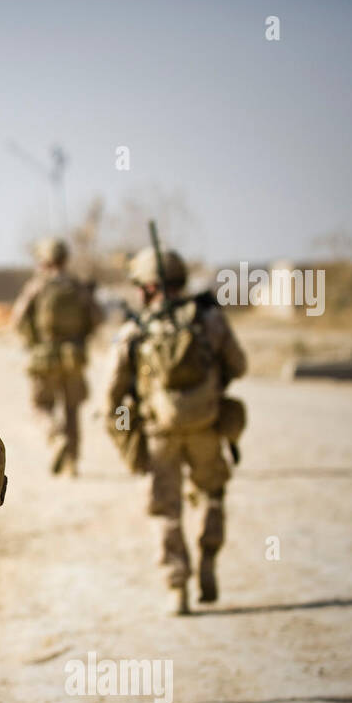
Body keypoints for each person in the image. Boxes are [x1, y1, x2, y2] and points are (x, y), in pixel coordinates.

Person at [106, 245, 247, 615]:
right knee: (212, 493)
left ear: (148, 288)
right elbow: (240, 365)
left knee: (166, 511)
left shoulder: (134, 330)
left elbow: (112, 393)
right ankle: (209, 555)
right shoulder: (210, 319)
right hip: (206, 428)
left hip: (159, 434)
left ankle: (177, 587)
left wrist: (123, 432)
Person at [10, 237, 101, 475]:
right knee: (72, 410)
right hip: (73, 356)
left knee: (40, 406)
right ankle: (72, 463)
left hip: (44, 356)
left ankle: (55, 435)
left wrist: (32, 341)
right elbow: (98, 317)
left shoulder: (37, 286)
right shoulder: (77, 286)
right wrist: (81, 337)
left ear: (44, 260)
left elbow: (17, 319)